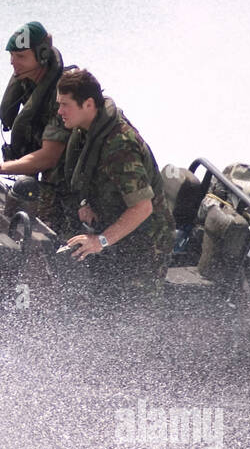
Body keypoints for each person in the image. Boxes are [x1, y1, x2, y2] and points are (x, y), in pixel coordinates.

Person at [53, 68, 175, 302]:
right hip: (117, 233)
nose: (60, 111)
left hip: (146, 244)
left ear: (88, 104)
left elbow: (143, 208)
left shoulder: (120, 145)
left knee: (131, 315)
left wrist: (100, 241)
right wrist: (86, 203)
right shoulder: (88, 130)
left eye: (65, 104)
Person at [0, 21, 71, 224]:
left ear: (42, 55)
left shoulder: (63, 94)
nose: (13, 62)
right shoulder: (28, 80)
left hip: (67, 180)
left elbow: (50, 157)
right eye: (12, 56)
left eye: (21, 56)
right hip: (41, 171)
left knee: (42, 224)